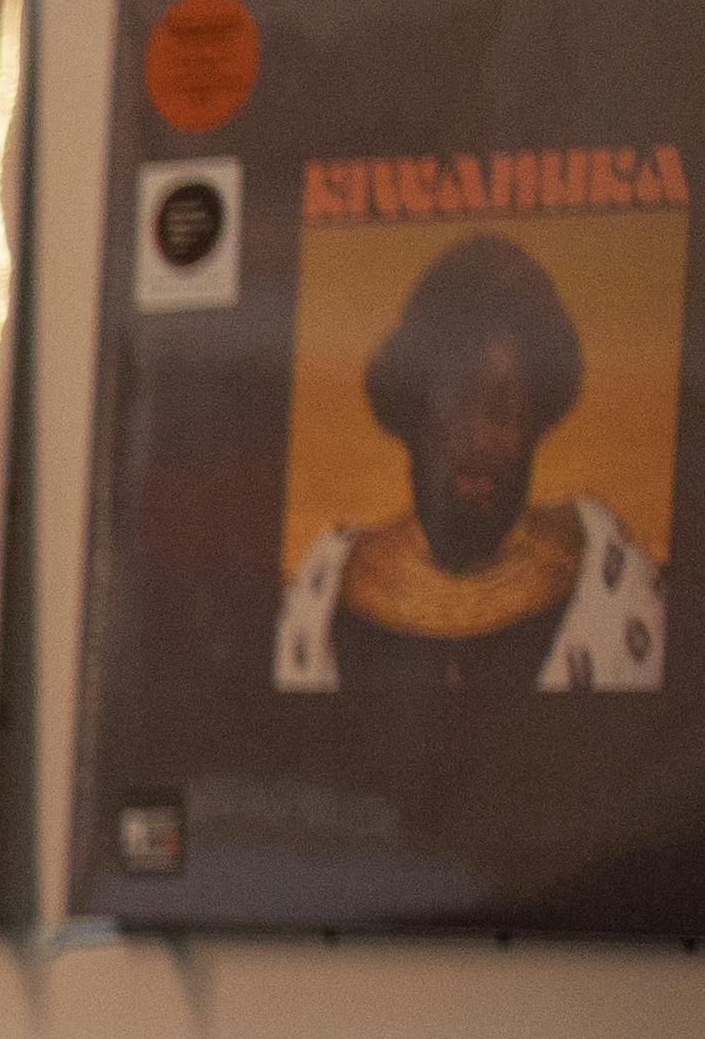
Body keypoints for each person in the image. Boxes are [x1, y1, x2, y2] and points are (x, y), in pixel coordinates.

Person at [270, 231, 667, 696]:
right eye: (453, 406)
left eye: (503, 412)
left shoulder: (604, 572)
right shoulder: (329, 585)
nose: (476, 443)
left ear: (538, 424)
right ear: (411, 414)